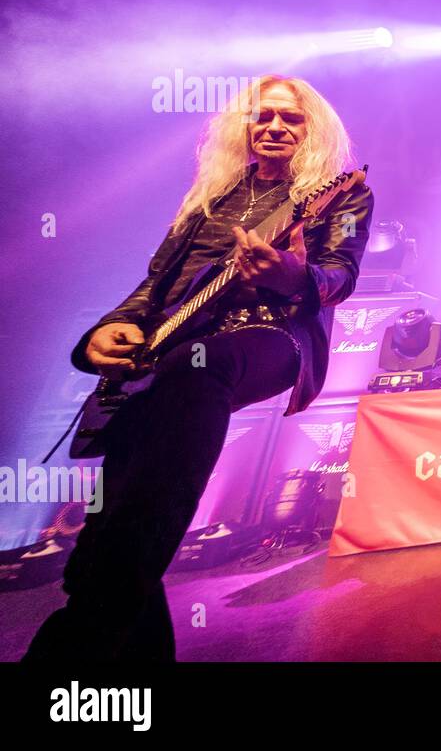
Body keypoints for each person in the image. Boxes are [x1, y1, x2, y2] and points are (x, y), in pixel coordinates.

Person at [25, 75, 373, 661]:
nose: (274, 127)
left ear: (313, 130)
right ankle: (129, 642)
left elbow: (339, 275)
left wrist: (287, 272)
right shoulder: (210, 199)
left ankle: (74, 647)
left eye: (291, 119)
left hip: (268, 333)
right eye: (263, 116)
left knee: (194, 368)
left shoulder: (337, 195)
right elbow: (152, 290)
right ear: (245, 126)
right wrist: (99, 337)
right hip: (171, 354)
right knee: (110, 524)